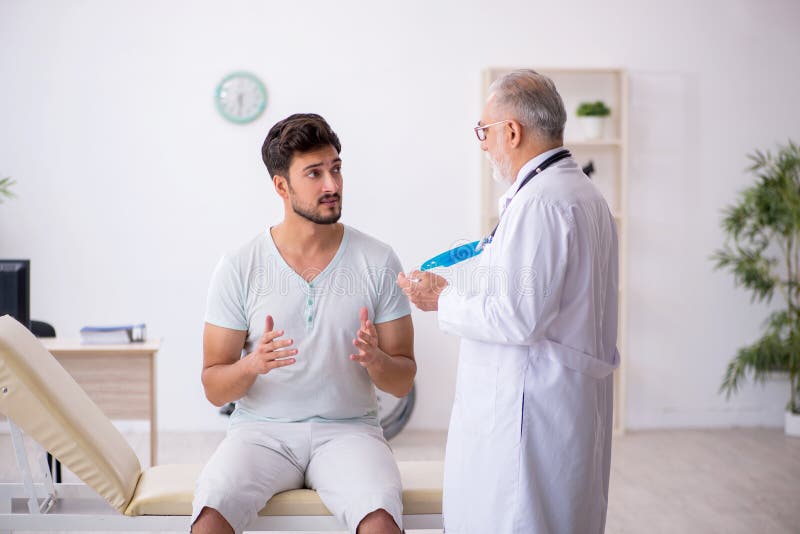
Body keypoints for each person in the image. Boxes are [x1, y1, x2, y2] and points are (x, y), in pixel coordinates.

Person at [397, 70, 619, 533]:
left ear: (512, 132)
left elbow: (518, 318)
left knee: (517, 517)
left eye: (484, 131)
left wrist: (442, 299)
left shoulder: (540, 202)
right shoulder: (581, 193)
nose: (483, 145)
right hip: (560, 407)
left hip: (530, 414)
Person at [192, 113, 416, 534]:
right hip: (260, 434)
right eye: (314, 173)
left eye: (336, 169)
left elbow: (402, 381)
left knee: (381, 523)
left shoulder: (379, 260)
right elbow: (213, 386)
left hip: (350, 433)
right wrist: (252, 365)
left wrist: (377, 361)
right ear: (281, 186)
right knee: (210, 518)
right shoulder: (239, 266)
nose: (332, 184)